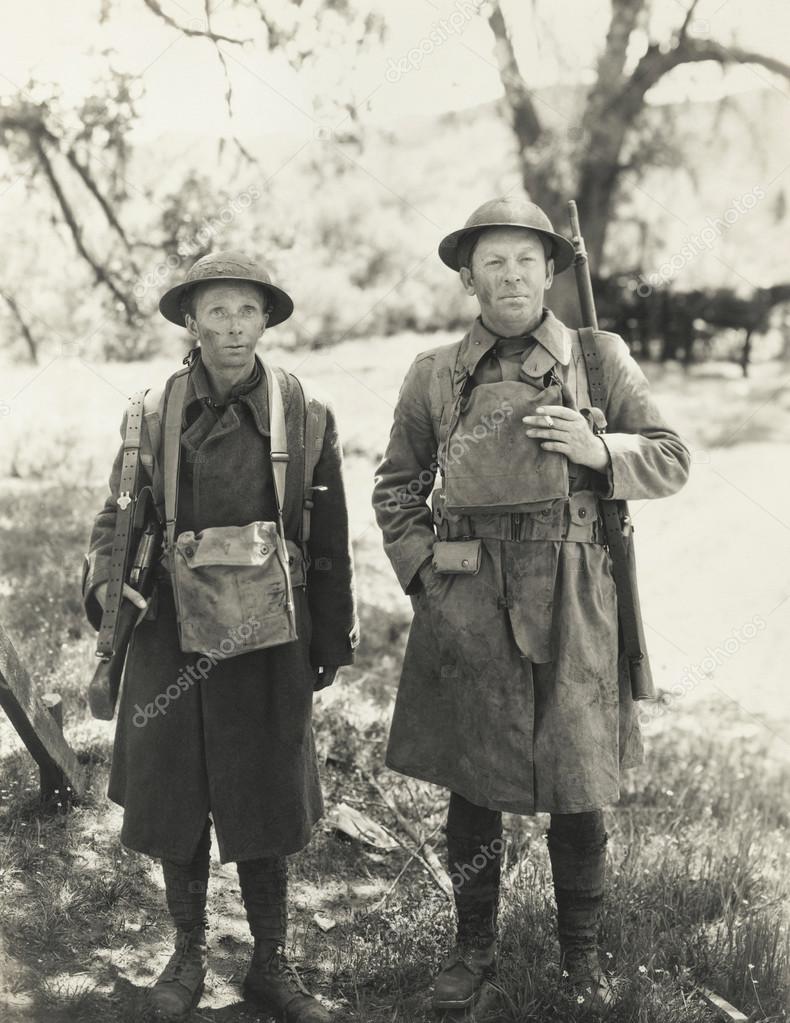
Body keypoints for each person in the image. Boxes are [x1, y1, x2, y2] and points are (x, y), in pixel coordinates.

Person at [372, 197, 690, 1012]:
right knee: (471, 781)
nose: (510, 276)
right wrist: (424, 580)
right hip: (467, 598)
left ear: (550, 270)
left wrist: (600, 449)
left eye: (525, 260)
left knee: (579, 780)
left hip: (577, 596)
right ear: (469, 278)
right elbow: (396, 486)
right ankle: (472, 950)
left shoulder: (600, 355)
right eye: (492, 262)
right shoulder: (432, 372)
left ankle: (578, 961)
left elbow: (672, 457)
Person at [83, 250, 358, 1023]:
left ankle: (272, 962)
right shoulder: (152, 411)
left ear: (266, 318)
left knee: (266, 786)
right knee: (177, 790)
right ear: (191, 322)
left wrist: (329, 634)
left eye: (247, 310)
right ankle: (188, 952)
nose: (233, 326)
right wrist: (109, 590)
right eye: (217, 311)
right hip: (171, 626)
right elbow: (116, 513)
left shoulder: (302, 411)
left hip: (269, 630)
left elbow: (330, 530)